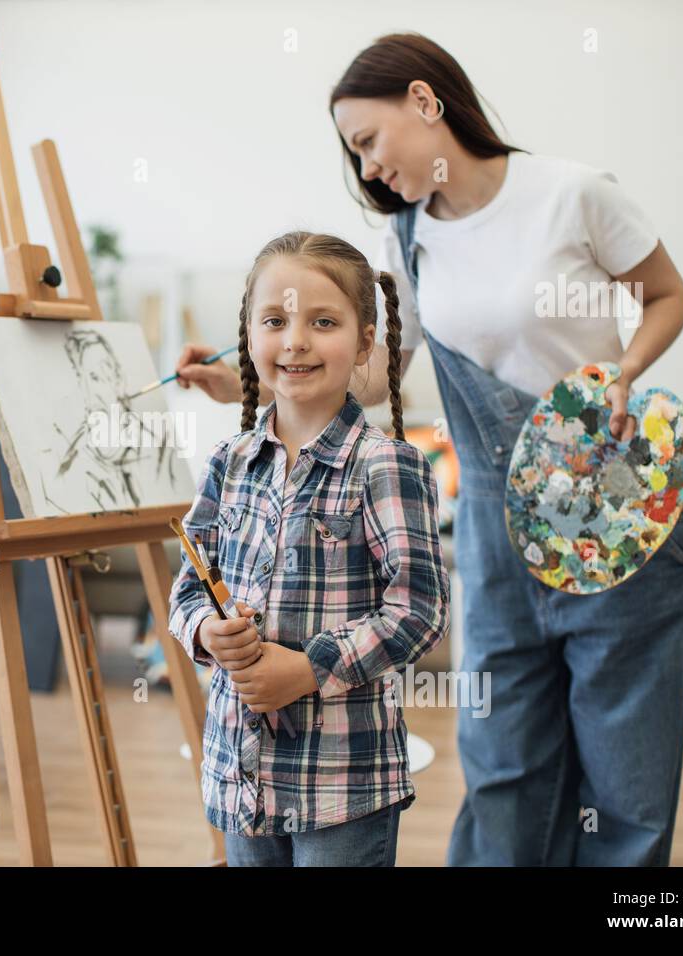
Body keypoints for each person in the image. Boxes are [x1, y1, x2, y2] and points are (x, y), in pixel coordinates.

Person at [175, 33, 683, 866]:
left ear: (425, 102)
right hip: (496, 545)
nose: (365, 169)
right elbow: (376, 368)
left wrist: (626, 369)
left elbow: (668, 296)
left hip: (608, 518)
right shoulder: (409, 241)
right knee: (503, 767)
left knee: (625, 784)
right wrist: (249, 377)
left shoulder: (573, 195)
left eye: (367, 141)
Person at [168, 231, 449, 866]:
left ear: (366, 342)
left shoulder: (387, 466)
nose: (295, 340)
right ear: (248, 338)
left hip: (341, 783)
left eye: (323, 322)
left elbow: (419, 612)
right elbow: (187, 589)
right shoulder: (228, 463)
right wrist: (207, 634)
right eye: (274, 320)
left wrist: (307, 668)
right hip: (239, 775)